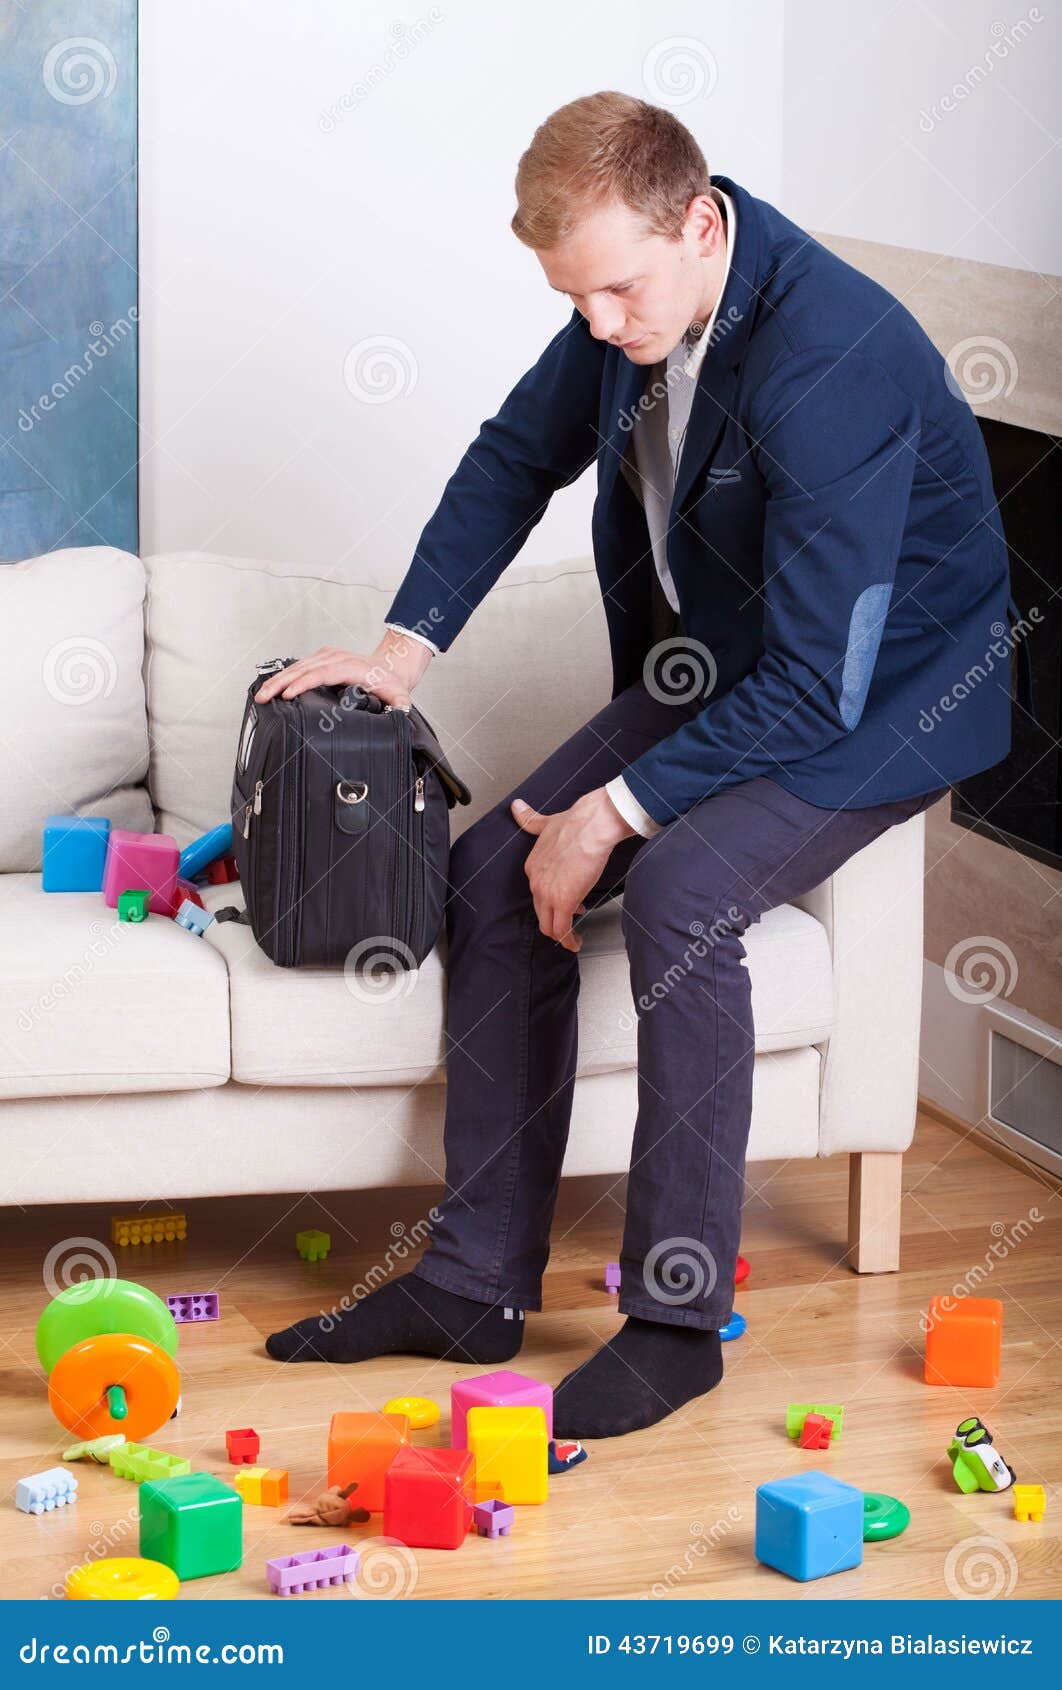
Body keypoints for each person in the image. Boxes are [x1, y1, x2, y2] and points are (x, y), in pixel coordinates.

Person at [261, 93, 1013, 1438]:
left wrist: (612, 811)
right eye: (575, 298)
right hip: (738, 663)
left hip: (882, 699)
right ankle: (472, 1282)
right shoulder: (634, 302)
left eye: (617, 291)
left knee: (681, 895)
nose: (600, 325)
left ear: (700, 223)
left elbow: (821, 681)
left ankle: (675, 1324)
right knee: (491, 873)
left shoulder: (831, 358)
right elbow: (514, 458)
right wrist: (399, 654)